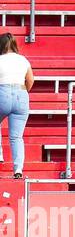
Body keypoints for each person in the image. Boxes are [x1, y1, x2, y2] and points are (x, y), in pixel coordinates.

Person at [0, 34, 33, 178]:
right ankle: (18, 169)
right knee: (17, 137)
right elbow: (30, 80)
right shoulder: (23, 60)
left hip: (3, 92)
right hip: (21, 94)